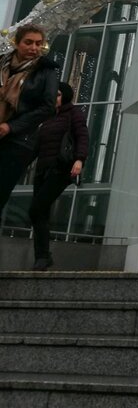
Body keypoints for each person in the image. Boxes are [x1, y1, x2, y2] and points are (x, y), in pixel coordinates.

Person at [28, 82, 89, 271]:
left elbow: (82, 136)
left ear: (66, 96)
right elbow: (35, 147)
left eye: (59, 94)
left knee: (35, 209)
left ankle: (43, 256)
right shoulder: (47, 117)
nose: (55, 96)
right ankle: (42, 257)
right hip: (42, 171)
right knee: (41, 214)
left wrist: (79, 160)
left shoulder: (73, 114)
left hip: (61, 170)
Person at [0, 25, 58, 217]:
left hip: (17, 143)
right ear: (16, 43)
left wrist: (11, 127)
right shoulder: (2, 64)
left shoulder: (46, 71)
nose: (34, 48)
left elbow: (47, 107)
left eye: (39, 44)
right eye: (29, 42)